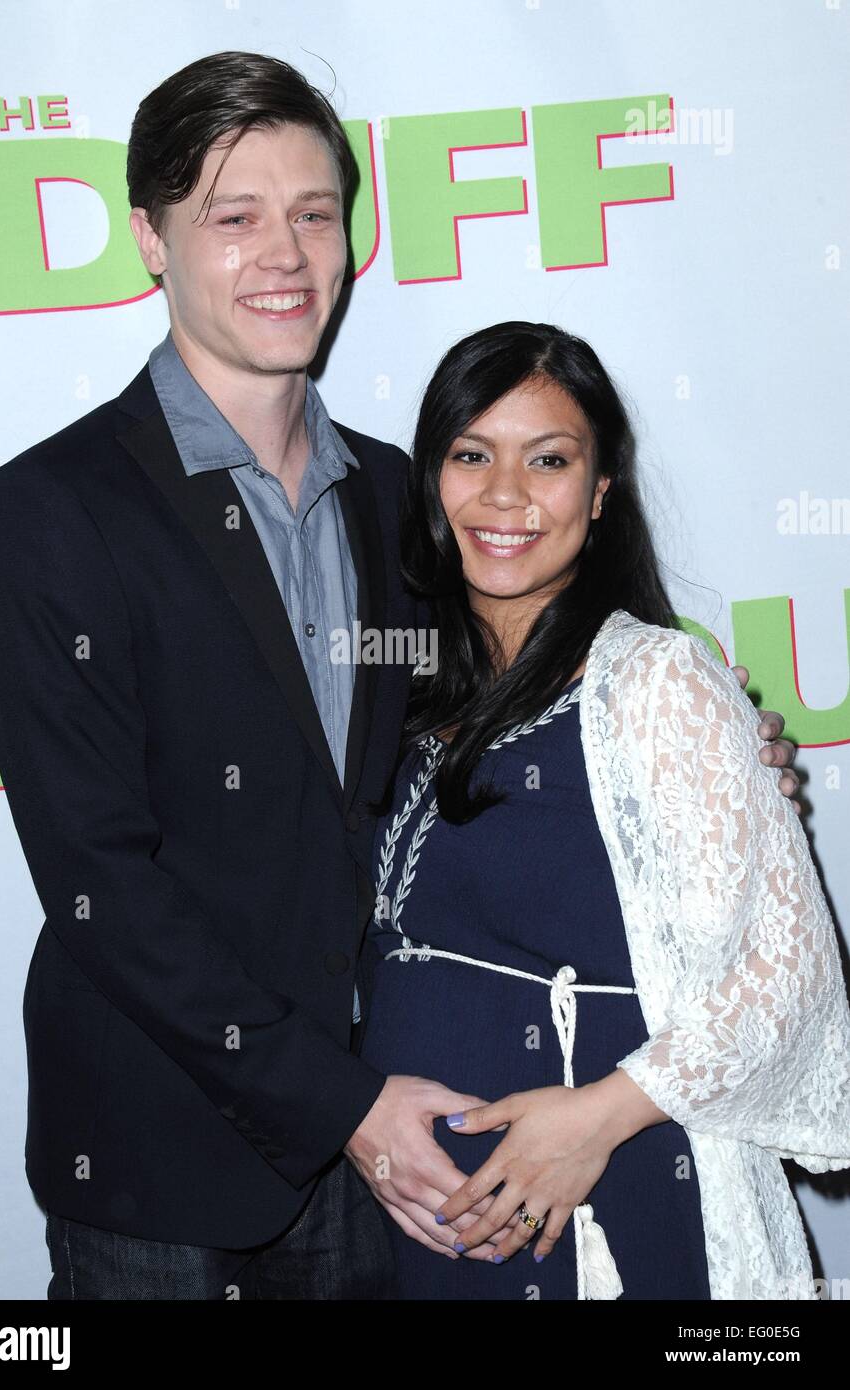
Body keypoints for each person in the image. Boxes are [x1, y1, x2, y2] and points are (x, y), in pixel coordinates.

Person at [0, 51, 799, 1300]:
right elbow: (101, 882)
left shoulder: (406, 497)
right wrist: (344, 1103)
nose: (285, 254)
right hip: (169, 1157)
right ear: (149, 238)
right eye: (232, 217)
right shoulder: (48, 510)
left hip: (401, 1159)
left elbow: (486, 720)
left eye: (313, 213)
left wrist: (718, 760)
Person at [354, 320, 850, 1300]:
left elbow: (788, 975)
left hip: (610, 1209)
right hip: (425, 1233)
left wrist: (595, 1117)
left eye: (548, 459)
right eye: (470, 454)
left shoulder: (658, 679)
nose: (502, 494)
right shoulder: (401, 689)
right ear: (431, 479)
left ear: (599, 491)